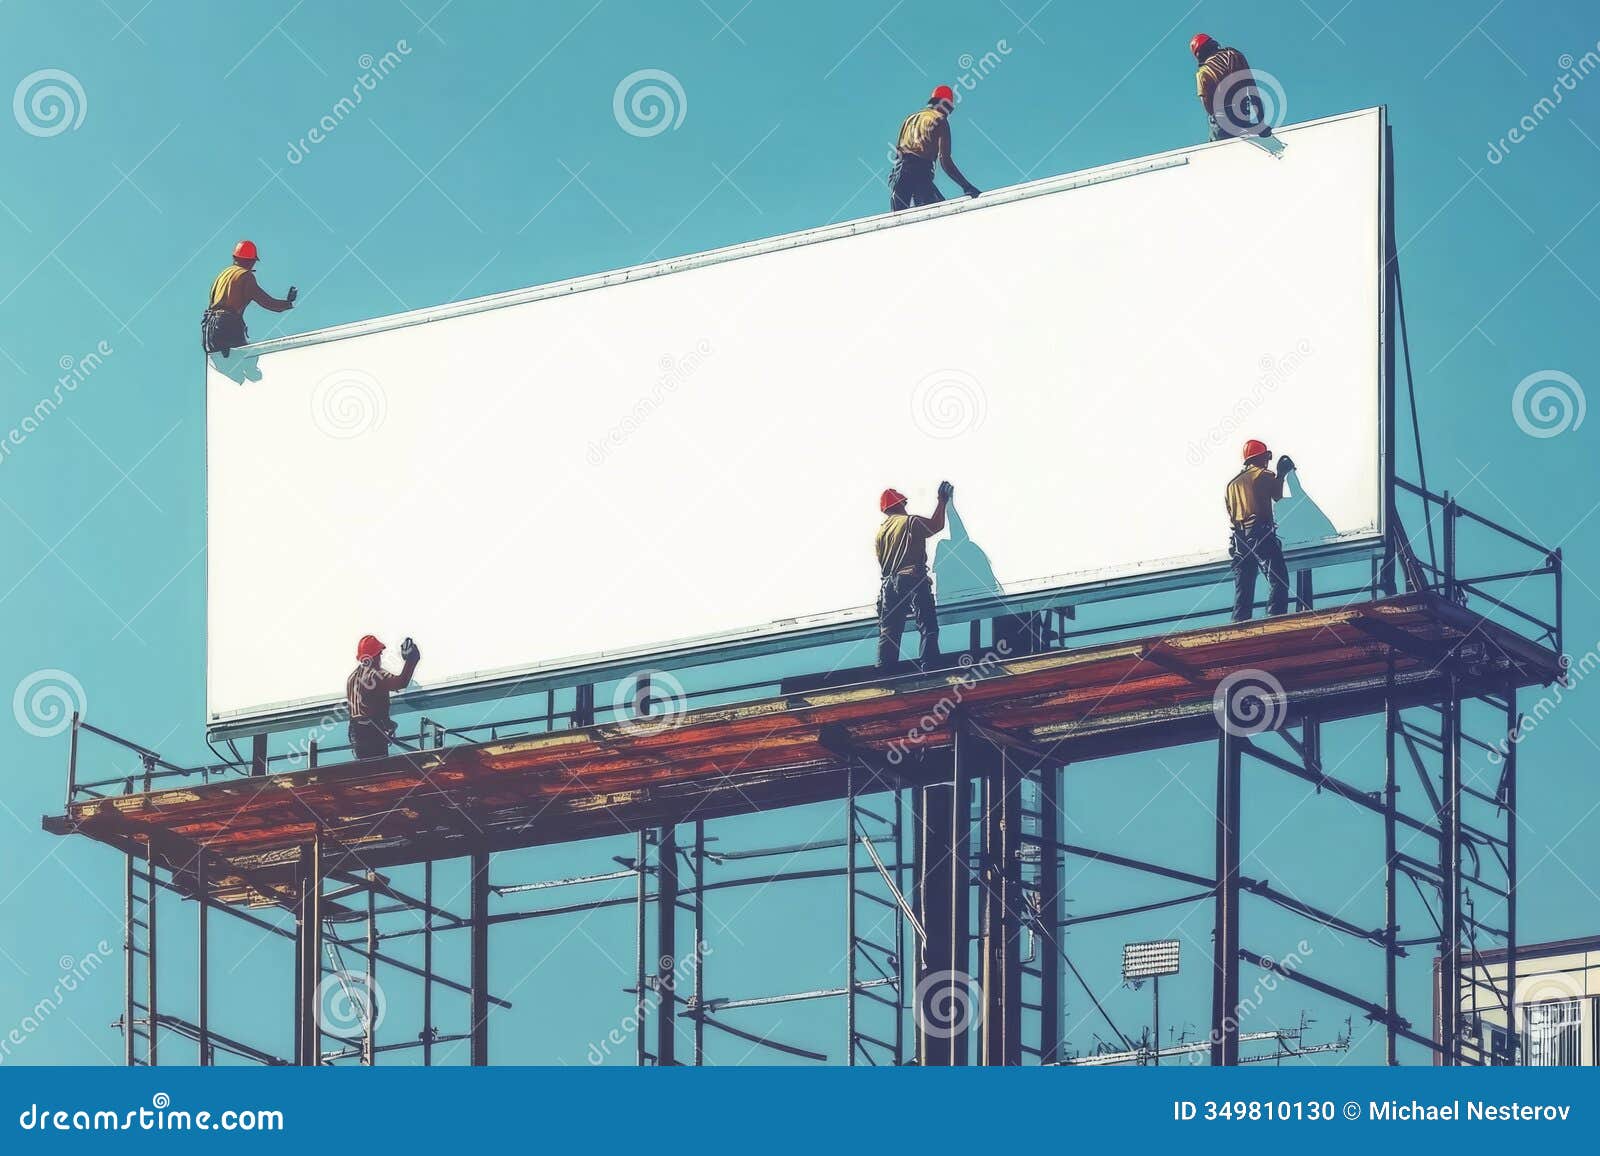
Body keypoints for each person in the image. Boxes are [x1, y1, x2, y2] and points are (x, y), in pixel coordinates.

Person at [876, 482, 952, 671]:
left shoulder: (881, 533)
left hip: (888, 586)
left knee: (890, 630)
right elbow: (936, 526)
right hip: (912, 578)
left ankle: (885, 670)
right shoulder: (910, 522)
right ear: (901, 503)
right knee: (927, 624)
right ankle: (930, 665)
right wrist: (942, 501)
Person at [1225, 440, 1294, 622]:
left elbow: (1231, 513)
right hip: (1260, 535)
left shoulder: (1232, 485)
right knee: (1279, 581)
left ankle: (1239, 625)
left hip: (1240, 541)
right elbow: (1277, 495)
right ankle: (1275, 619)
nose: (1268, 461)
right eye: (1267, 457)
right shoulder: (1263, 475)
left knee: (1244, 589)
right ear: (1262, 457)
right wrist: (1281, 474)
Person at [888, 85, 980, 212]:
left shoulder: (909, 119)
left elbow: (898, 152)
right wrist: (967, 186)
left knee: (899, 219)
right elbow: (945, 160)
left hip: (899, 175)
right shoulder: (940, 120)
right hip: (920, 174)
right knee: (940, 214)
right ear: (944, 104)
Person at [202, 240, 297, 357]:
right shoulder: (245, 276)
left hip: (209, 328)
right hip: (227, 325)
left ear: (234, 257)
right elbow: (267, 302)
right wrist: (287, 304)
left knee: (223, 363)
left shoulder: (223, 275)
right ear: (251, 261)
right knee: (245, 359)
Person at [346, 634, 421, 760]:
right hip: (372, 735)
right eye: (380, 654)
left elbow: (365, 706)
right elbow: (401, 682)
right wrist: (412, 660)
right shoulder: (375, 675)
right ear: (375, 656)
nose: (380, 658)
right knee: (380, 766)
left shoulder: (352, 678)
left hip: (356, 734)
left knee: (366, 767)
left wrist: (386, 723)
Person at [1190, 32, 1266, 142]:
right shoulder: (1234, 55)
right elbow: (1252, 89)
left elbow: (1206, 103)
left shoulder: (1203, 72)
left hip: (1222, 120)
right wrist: (1261, 123)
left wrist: (1217, 117)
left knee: (1217, 138)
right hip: (1241, 111)